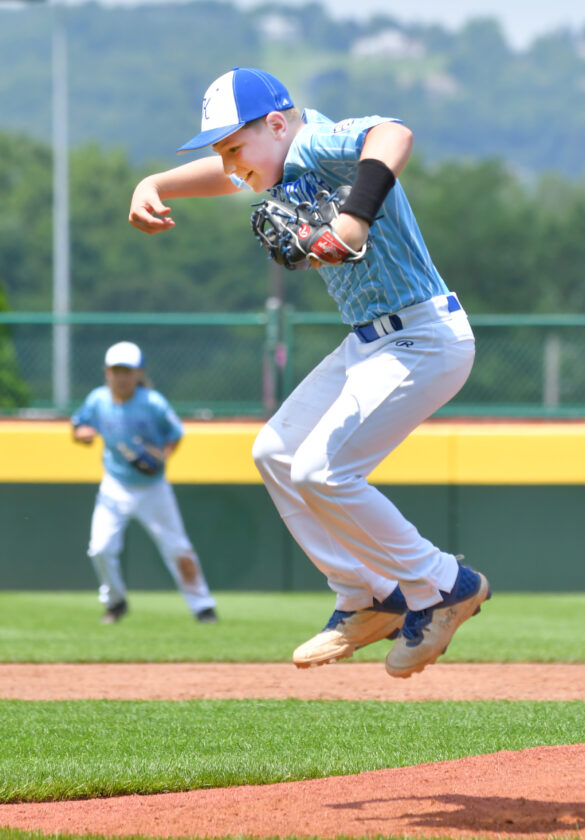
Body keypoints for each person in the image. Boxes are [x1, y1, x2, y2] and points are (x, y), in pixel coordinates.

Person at [128, 67, 490, 678]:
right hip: (372, 342)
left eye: (235, 148)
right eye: (223, 152)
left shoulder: (315, 143)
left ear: (276, 124)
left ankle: (446, 584)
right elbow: (227, 172)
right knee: (276, 451)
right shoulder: (274, 159)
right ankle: (369, 596)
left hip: (424, 337)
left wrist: (356, 216)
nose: (232, 165)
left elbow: (392, 133)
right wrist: (154, 180)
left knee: (323, 470)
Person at [71, 341, 218, 625]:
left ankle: (202, 607)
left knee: (177, 548)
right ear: (106, 372)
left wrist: (161, 457)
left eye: (127, 370)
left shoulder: (152, 402)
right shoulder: (98, 400)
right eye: (116, 370)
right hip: (114, 485)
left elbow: (175, 433)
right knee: (100, 547)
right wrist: (81, 433)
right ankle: (115, 602)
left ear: (139, 373)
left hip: (153, 488)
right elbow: (79, 424)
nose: (121, 376)